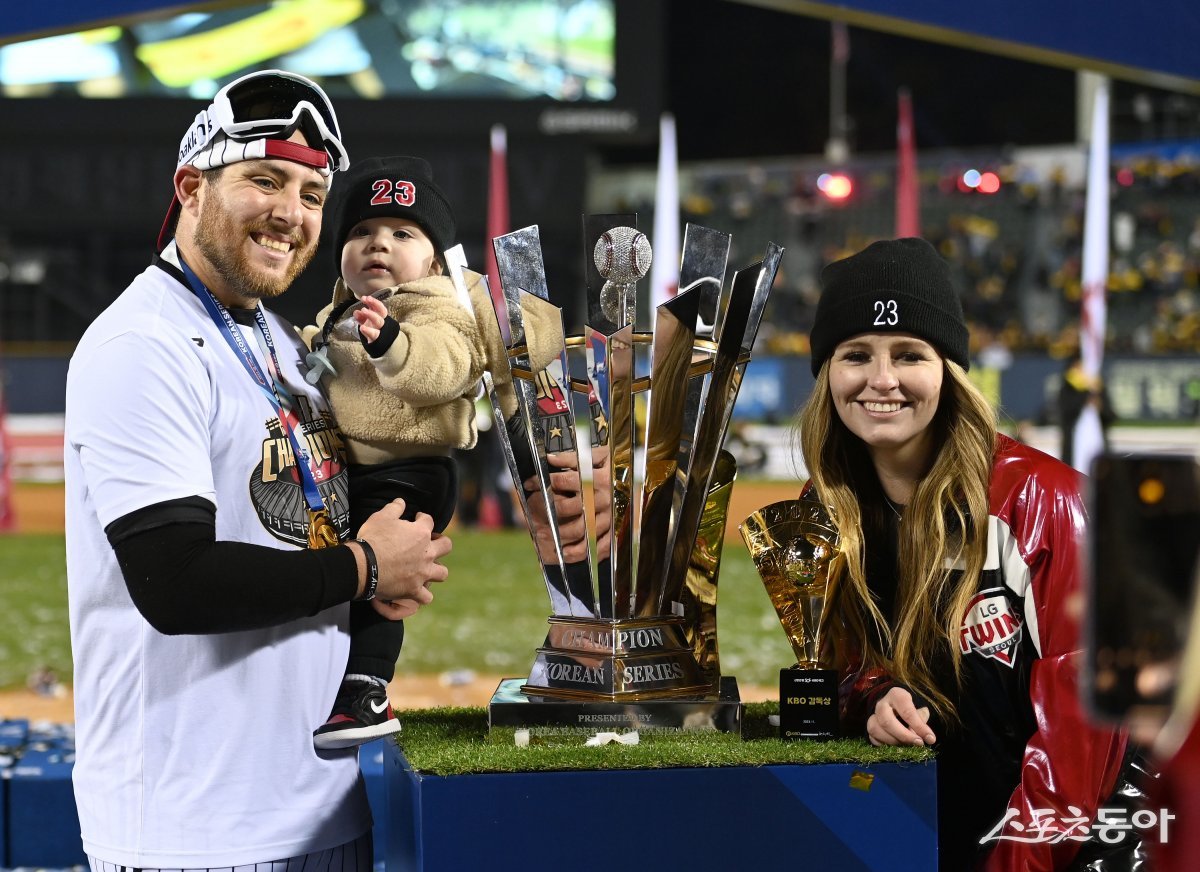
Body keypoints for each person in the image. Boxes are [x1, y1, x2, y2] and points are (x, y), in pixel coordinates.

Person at [64, 70, 452, 870]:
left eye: (313, 194)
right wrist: (367, 567)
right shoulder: (144, 344)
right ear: (192, 186)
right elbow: (176, 582)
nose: (292, 213)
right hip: (191, 831)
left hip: (320, 808)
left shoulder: (282, 342)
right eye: (265, 180)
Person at [796, 237, 1145, 871]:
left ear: (949, 371)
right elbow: (837, 665)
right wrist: (873, 696)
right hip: (944, 828)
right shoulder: (822, 506)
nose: (882, 380)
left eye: (909, 354)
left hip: (1084, 842)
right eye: (855, 355)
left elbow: (1081, 740)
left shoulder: (1042, 499)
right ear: (826, 373)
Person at [299, 154, 510, 748]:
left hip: (412, 472)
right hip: (349, 473)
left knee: (378, 581)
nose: (378, 244)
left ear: (434, 260)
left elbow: (440, 371)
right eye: (361, 232)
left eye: (401, 233)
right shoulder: (334, 316)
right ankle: (323, 682)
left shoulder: (438, 309)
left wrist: (393, 344)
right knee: (340, 575)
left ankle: (368, 690)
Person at [1057, 351, 1116, 470]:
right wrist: (1085, 395)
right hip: (1074, 449)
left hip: (1097, 446)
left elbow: (1111, 416)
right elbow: (1066, 412)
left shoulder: (1098, 388)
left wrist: (1101, 407)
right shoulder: (1068, 388)